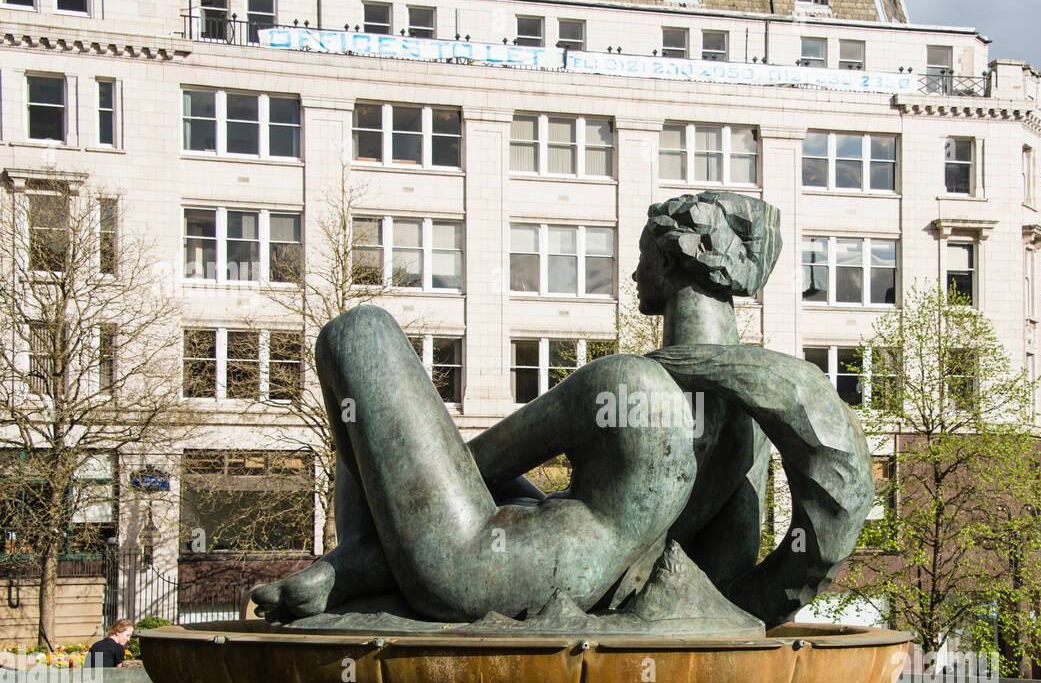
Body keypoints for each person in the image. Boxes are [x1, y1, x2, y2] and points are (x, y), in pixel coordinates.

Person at [252, 192, 870, 628]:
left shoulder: (625, 381)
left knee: (359, 333)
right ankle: (348, 573)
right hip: (577, 578)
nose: (632, 271)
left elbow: (473, 467)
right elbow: (724, 567)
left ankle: (350, 564)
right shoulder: (747, 425)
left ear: (674, 258)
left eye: (644, 255)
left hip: (478, 571)